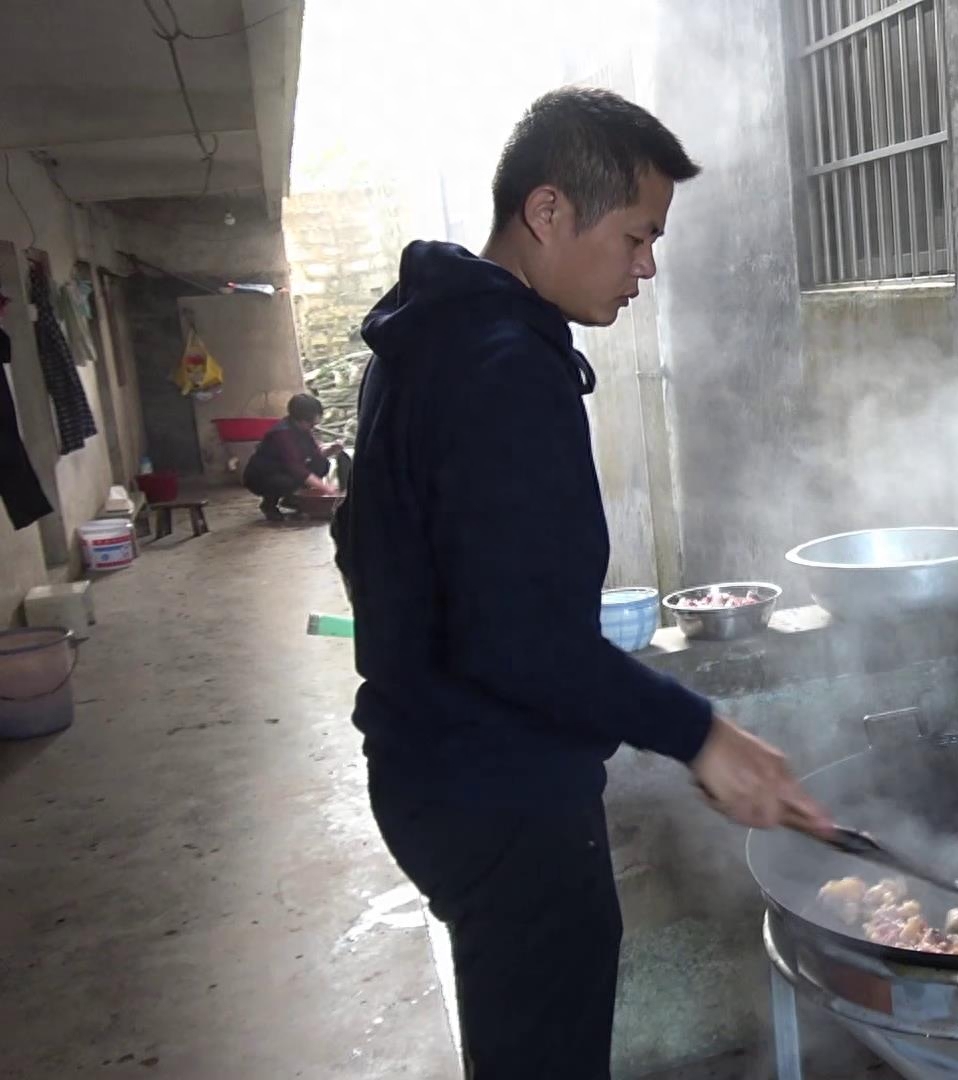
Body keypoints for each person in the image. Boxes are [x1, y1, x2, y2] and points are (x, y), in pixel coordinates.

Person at [329, 87, 834, 1079]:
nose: (649, 265)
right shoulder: (501, 366)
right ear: (549, 211)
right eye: (638, 235)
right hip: (499, 792)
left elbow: (368, 547)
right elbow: (518, 640)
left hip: (430, 768)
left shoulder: (424, 339)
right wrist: (704, 732)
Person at [242, 393, 340, 521]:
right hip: (262, 477)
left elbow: (316, 454)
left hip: (284, 470)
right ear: (300, 419)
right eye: (310, 423)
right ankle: (269, 505)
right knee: (288, 481)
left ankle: (292, 498)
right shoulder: (282, 433)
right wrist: (326, 488)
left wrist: (332, 450)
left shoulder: (304, 430)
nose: (312, 427)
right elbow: (295, 468)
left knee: (322, 464)